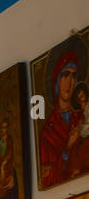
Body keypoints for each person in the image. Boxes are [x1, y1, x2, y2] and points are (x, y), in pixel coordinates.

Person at [39, 50, 85, 187]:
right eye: (65, 75)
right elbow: (48, 180)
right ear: (56, 80)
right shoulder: (47, 133)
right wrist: (68, 147)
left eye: (74, 76)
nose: (70, 82)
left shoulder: (82, 118)